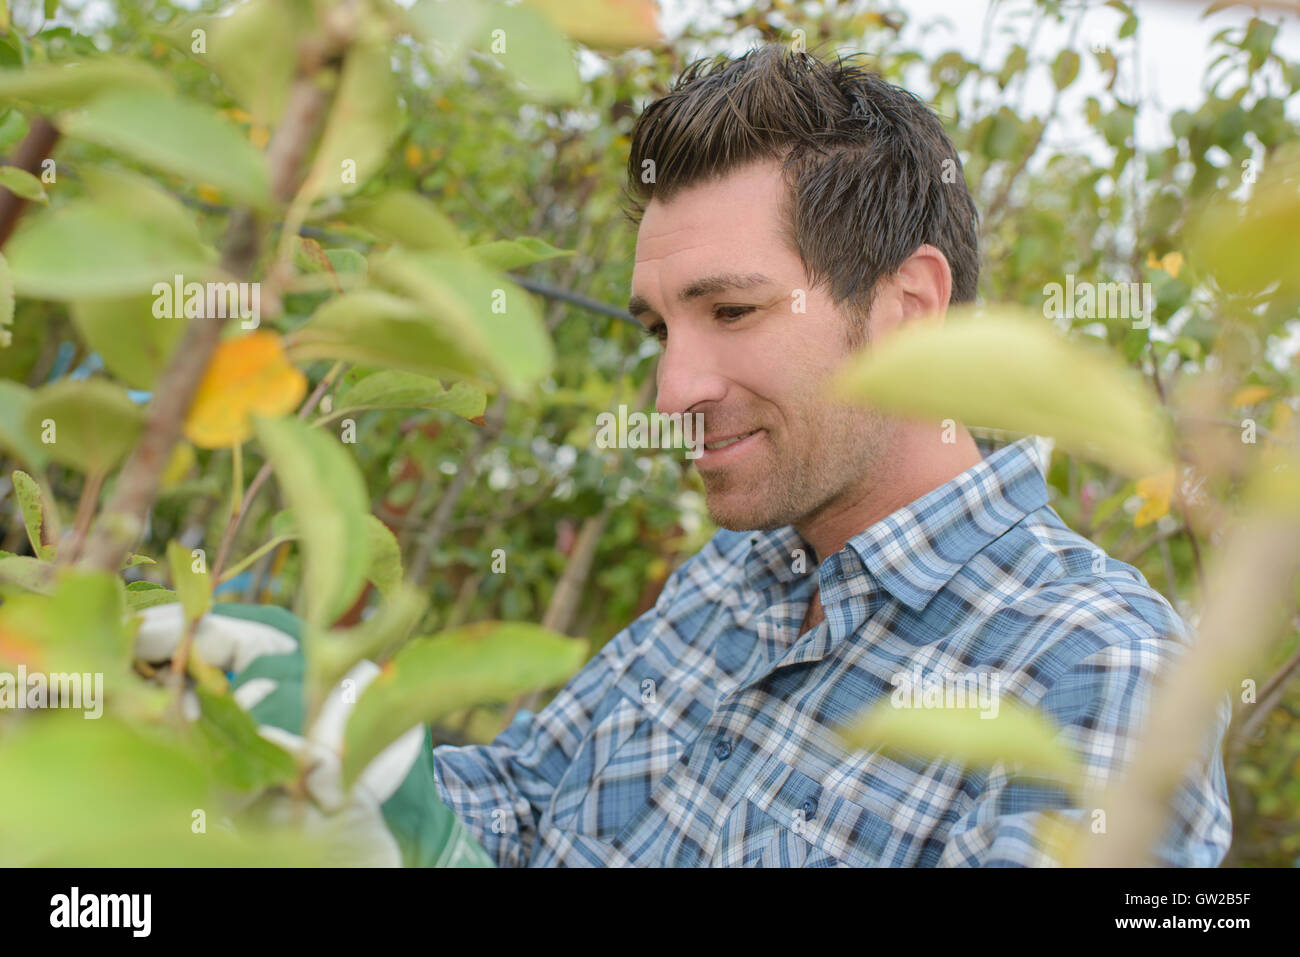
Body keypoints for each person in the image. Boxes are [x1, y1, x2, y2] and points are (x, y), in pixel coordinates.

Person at [139, 45, 1232, 868]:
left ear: (906, 308)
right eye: (661, 328)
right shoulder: (736, 573)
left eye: (733, 311)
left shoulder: (1099, 674)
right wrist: (341, 755)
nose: (672, 391)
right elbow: (524, 799)